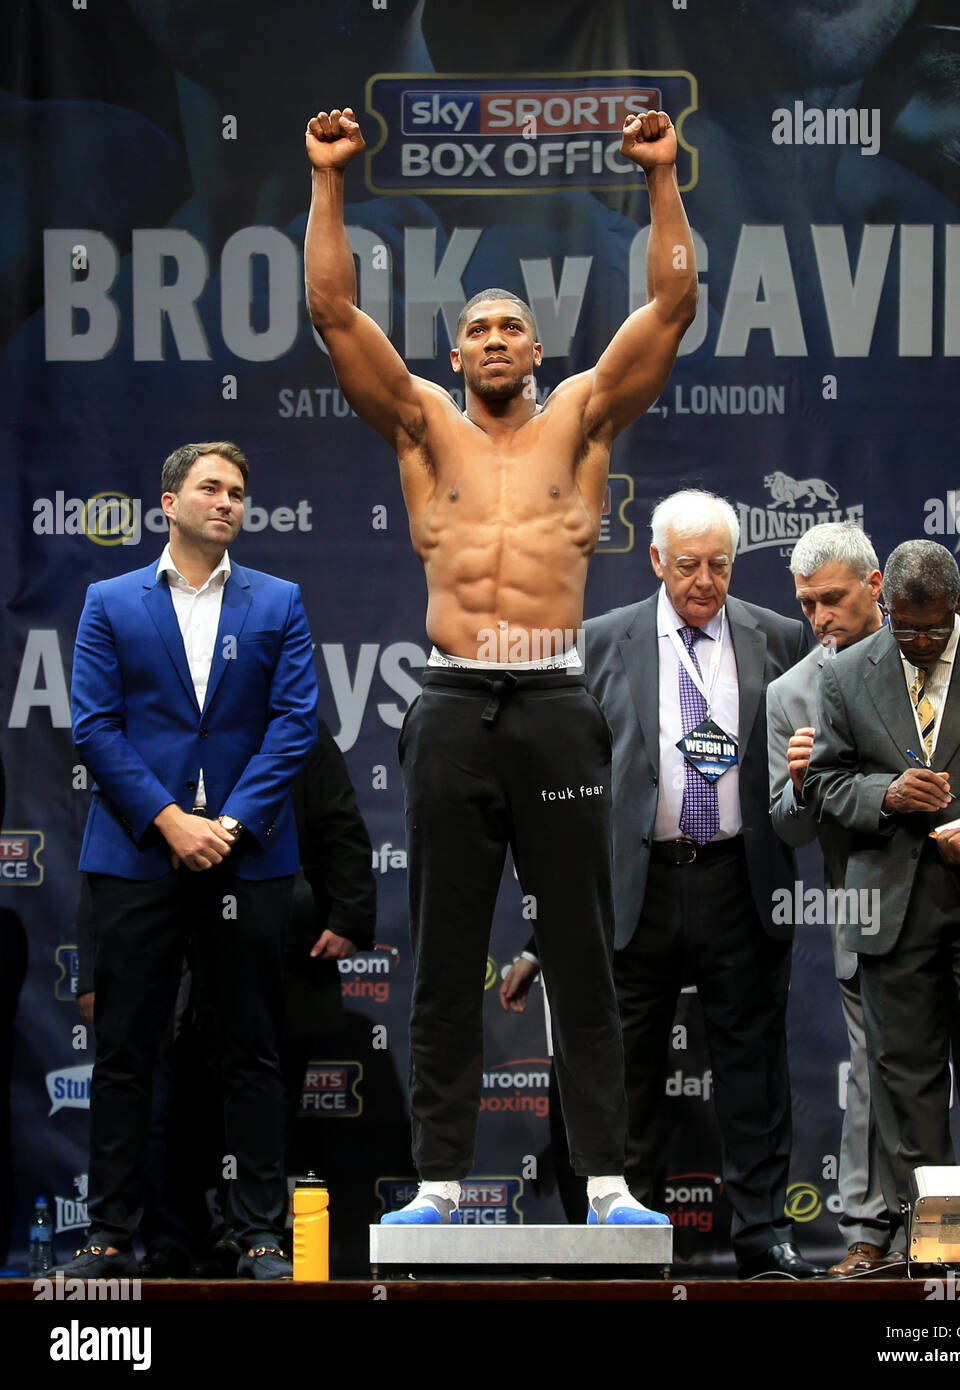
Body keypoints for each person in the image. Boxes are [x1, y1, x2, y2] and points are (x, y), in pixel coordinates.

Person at [304, 105, 697, 1227]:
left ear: (537, 351)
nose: (490, 338)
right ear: (452, 352)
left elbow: (671, 302)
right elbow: (333, 306)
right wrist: (329, 183)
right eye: (473, 325)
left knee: (580, 947)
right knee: (442, 951)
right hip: (453, 703)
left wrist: (663, 177)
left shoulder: (583, 418)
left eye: (509, 325)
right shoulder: (423, 426)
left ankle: (613, 1185)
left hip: (558, 701)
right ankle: (435, 1184)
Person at [67, 441, 318, 1279]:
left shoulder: (279, 603)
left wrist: (234, 823)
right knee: (126, 1053)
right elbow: (95, 727)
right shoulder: (110, 601)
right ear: (167, 500)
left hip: (248, 860)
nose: (228, 502)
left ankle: (258, 1236)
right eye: (210, 488)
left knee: (251, 1053)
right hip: (141, 854)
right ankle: (108, 1237)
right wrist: (172, 820)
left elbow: (294, 726)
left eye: (239, 491)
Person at [583, 489, 821, 1276]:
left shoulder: (779, 637)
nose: (705, 581)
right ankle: (630, 1238)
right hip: (635, 885)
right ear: (656, 561)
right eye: (688, 565)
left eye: (720, 564)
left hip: (738, 878)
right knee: (625, 1070)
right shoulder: (601, 642)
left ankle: (762, 1234)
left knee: (752, 1070)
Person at [802, 540, 960, 1249]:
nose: (917, 641)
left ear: (959, 605)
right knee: (905, 1080)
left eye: (932, 628)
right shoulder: (849, 673)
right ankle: (933, 1239)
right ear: (886, 608)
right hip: (891, 908)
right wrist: (885, 794)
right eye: (904, 626)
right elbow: (822, 785)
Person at [766, 521, 900, 1277]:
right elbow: (787, 826)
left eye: (834, 599)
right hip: (861, 905)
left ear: (875, 586)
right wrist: (798, 780)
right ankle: (866, 1234)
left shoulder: (928, 662)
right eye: (808, 604)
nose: (820, 618)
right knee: (870, 1069)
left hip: (954, 897)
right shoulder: (791, 693)